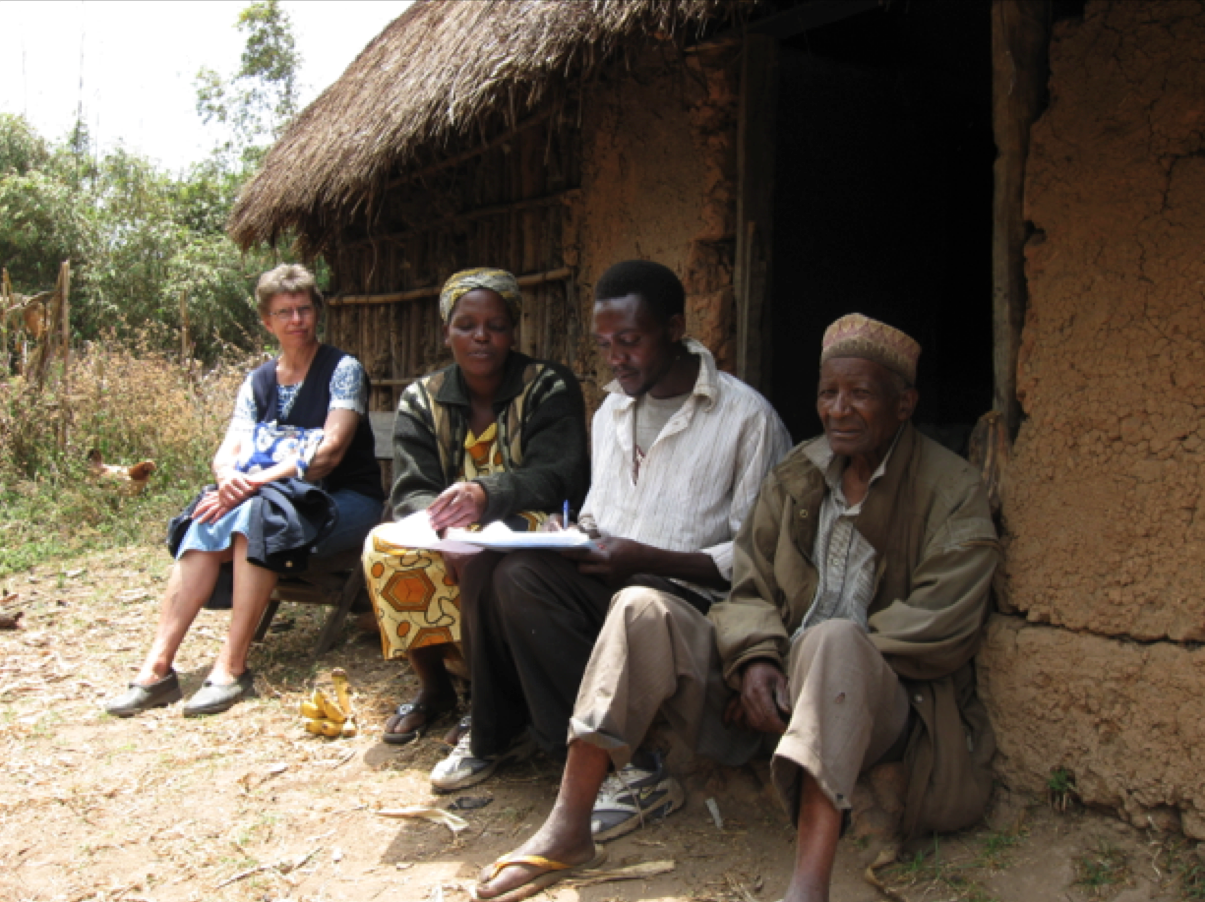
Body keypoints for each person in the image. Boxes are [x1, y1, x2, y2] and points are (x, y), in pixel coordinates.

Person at [472, 313, 999, 902]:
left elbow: (943, 619)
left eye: (861, 394)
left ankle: (807, 886)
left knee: (834, 641)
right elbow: (749, 579)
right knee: (638, 606)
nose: (839, 410)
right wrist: (754, 659)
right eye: (829, 393)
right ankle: (570, 826)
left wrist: (801, 680)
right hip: (769, 685)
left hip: (880, 704)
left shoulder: (951, 489)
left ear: (905, 404)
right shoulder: (801, 471)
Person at [431, 259, 792, 799]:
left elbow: (755, 560)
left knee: (542, 582)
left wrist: (645, 558)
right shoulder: (613, 410)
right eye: (604, 345)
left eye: (629, 340)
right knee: (496, 567)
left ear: (673, 330)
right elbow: (602, 512)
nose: (616, 358)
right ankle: (512, 737)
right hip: (618, 575)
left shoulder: (746, 419)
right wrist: (568, 531)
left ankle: (626, 763)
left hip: (687, 602)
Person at [105, 263, 384, 718]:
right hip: (271, 498)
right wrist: (226, 479)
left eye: (304, 309)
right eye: (285, 312)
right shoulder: (257, 381)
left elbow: (330, 453)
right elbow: (227, 450)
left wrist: (251, 482)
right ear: (266, 321)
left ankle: (231, 668)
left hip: (343, 500)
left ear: (317, 312)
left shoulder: (343, 370)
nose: (297, 320)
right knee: (207, 515)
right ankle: (157, 670)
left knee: (254, 520)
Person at [361, 268, 589, 744]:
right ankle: (435, 688)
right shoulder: (420, 400)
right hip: (448, 527)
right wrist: (443, 529)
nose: (481, 336)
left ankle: (493, 698)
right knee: (384, 548)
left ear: (513, 331)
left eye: (496, 325)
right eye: (466, 325)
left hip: (528, 518)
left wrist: (487, 497)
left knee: (491, 556)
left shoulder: (547, 386)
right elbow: (411, 488)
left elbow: (558, 474)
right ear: (447, 332)